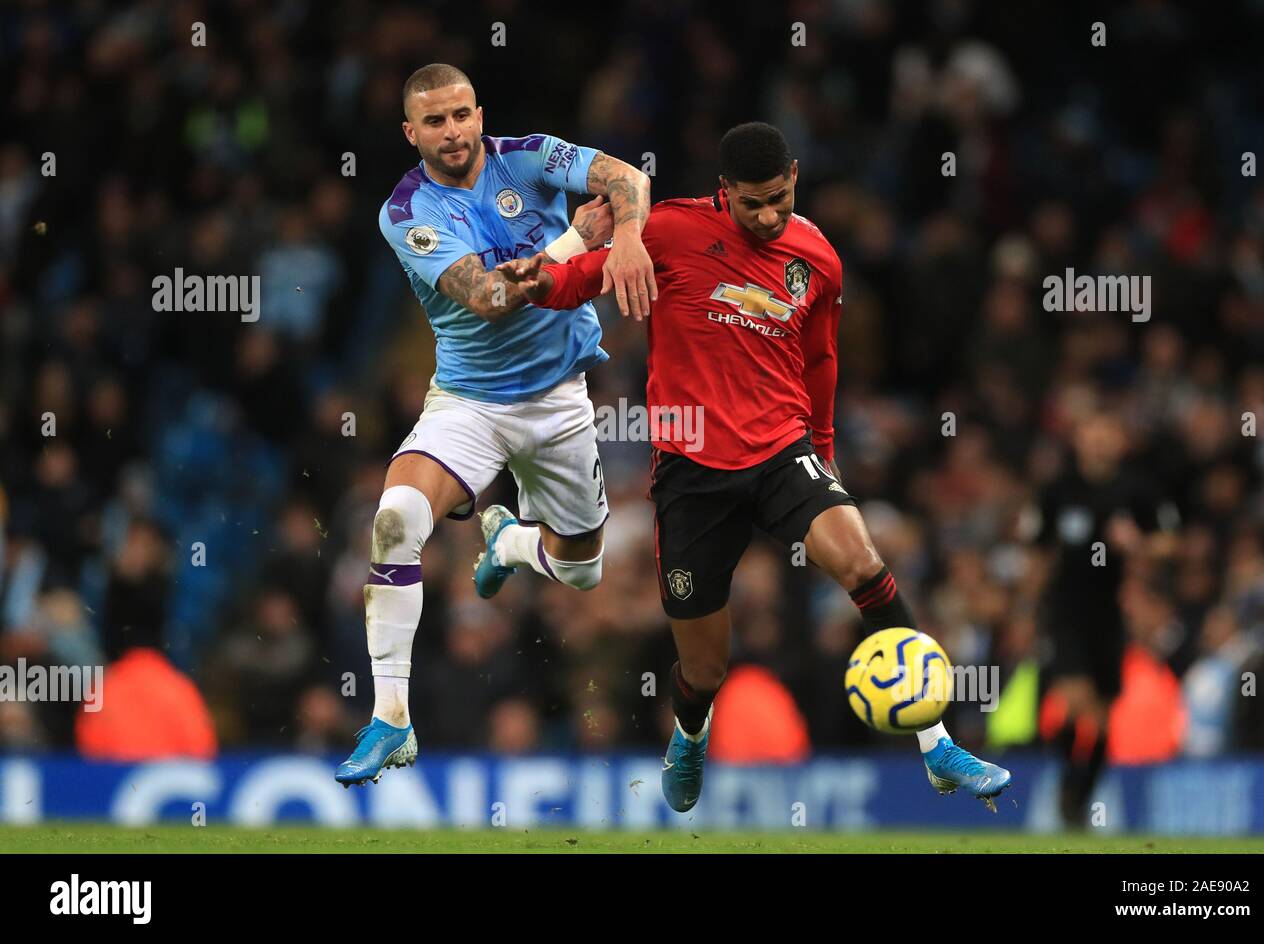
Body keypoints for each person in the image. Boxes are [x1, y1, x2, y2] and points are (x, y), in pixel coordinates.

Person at [498, 122, 1011, 812]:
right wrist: (537, 272)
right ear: (724, 194)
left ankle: (938, 747)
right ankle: (689, 732)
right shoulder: (668, 231)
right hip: (692, 474)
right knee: (705, 669)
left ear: (794, 177)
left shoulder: (818, 258)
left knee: (862, 564)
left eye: (780, 198)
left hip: (780, 451)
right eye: (753, 205)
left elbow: (821, 359)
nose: (769, 216)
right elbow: (569, 285)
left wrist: (822, 448)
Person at [335, 63, 655, 787]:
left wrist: (628, 235)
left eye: (461, 115)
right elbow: (487, 297)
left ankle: (509, 540)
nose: (452, 132)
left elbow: (629, 178)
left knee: (582, 572)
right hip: (470, 404)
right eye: (435, 122)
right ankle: (390, 718)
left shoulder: (531, 156)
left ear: (479, 113)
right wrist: (577, 243)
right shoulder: (406, 210)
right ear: (410, 132)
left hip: (560, 401)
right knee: (393, 521)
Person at [1030, 409, 1177, 825]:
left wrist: (1140, 545)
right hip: (1066, 609)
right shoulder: (1058, 491)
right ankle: (1068, 781)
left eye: (1106, 432)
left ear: (1119, 441)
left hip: (1110, 611)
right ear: (1078, 440)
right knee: (1076, 703)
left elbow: (1170, 541)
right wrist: (1028, 610)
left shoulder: (1137, 490)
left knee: (1103, 716)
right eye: (1090, 432)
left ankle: (1080, 795)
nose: (1098, 441)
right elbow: (1039, 551)